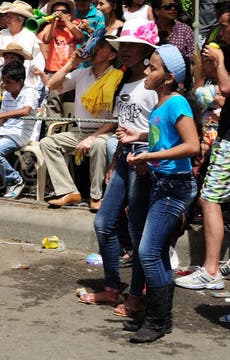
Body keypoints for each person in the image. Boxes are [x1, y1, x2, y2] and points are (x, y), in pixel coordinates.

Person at [177, 1, 230, 291]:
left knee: (209, 199)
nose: (220, 32)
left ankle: (210, 270)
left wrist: (220, 60)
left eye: (224, 26)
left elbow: (226, 88)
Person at [123, 45, 200, 342]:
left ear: (168, 77)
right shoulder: (160, 104)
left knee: (148, 251)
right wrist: (140, 137)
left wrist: (147, 158)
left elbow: (192, 146)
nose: (145, 71)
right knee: (157, 254)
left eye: (152, 68)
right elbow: (163, 137)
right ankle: (160, 318)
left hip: (175, 187)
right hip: (162, 183)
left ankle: (155, 321)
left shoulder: (176, 103)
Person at [82, 23, 158, 309]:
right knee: (104, 223)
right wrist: (114, 161)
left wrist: (146, 158)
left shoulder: (153, 84)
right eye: (121, 46)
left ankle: (137, 294)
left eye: (130, 45)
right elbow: (120, 125)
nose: (124, 50)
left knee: (138, 230)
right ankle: (113, 287)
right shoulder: (124, 81)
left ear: (146, 50)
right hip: (125, 156)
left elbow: (158, 128)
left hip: (144, 158)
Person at [39, 37, 121, 208]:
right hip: (80, 131)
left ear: (112, 55)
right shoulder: (82, 73)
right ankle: (69, 191)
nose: (95, 49)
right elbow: (52, 85)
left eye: (101, 47)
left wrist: (92, 137)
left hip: (105, 131)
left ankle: (96, 196)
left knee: (98, 144)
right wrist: (71, 62)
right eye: (95, 45)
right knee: (48, 143)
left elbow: (115, 120)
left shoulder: (118, 78)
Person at [0, 62, 36, 199]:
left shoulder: (29, 91)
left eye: (8, 82)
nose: (5, 85)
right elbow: (4, 120)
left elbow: (26, 111)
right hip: (4, 131)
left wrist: (0, 115)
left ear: (20, 81)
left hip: (20, 133)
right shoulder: (6, 95)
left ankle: (16, 180)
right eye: (3, 81)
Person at [151, 0, 194, 64]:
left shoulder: (185, 30)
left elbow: (192, 55)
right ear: (157, 11)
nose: (173, 8)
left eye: (175, 6)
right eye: (168, 7)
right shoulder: (148, 30)